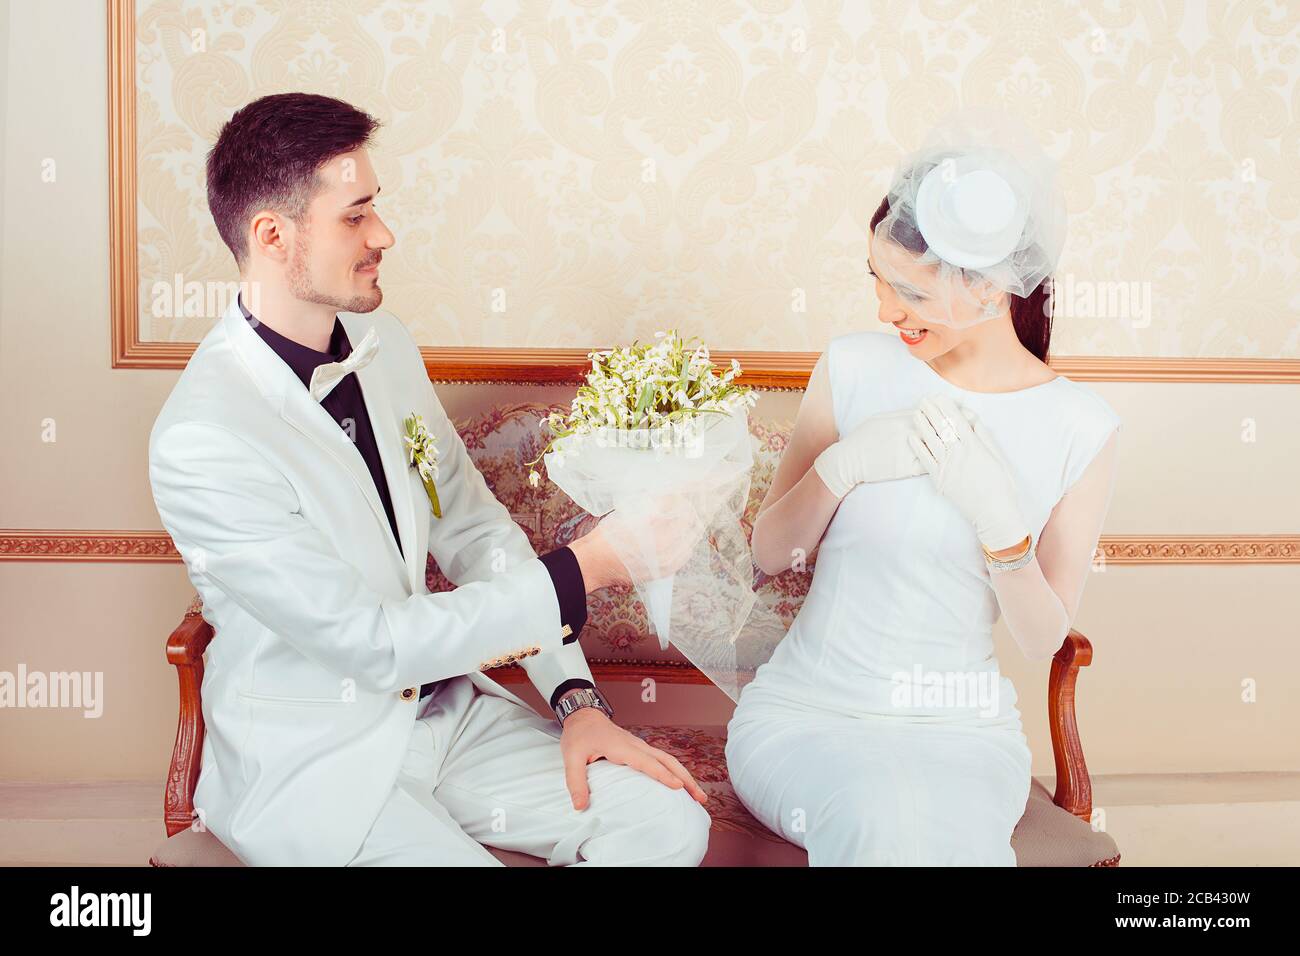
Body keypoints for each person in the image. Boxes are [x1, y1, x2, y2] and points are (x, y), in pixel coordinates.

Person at [148, 92, 711, 866]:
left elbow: (475, 529)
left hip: (450, 721)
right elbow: (372, 646)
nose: (384, 234)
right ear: (272, 236)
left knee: (668, 823)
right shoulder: (202, 437)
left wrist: (576, 700)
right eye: (354, 216)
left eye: (375, 207)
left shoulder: (386, 344)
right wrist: (590, 567)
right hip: (320, 764)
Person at [725, 109, 1122, 865]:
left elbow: (1044, 639)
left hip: (961, 734)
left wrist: (1002, 530)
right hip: (808, 717)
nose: (883, 311)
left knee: (931, 830)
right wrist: (839, 470)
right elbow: (770, 552)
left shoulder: (1080, 426)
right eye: (877, 282)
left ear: (989, 286)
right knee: (879, 817)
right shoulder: (853, 368)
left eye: (907, 290)